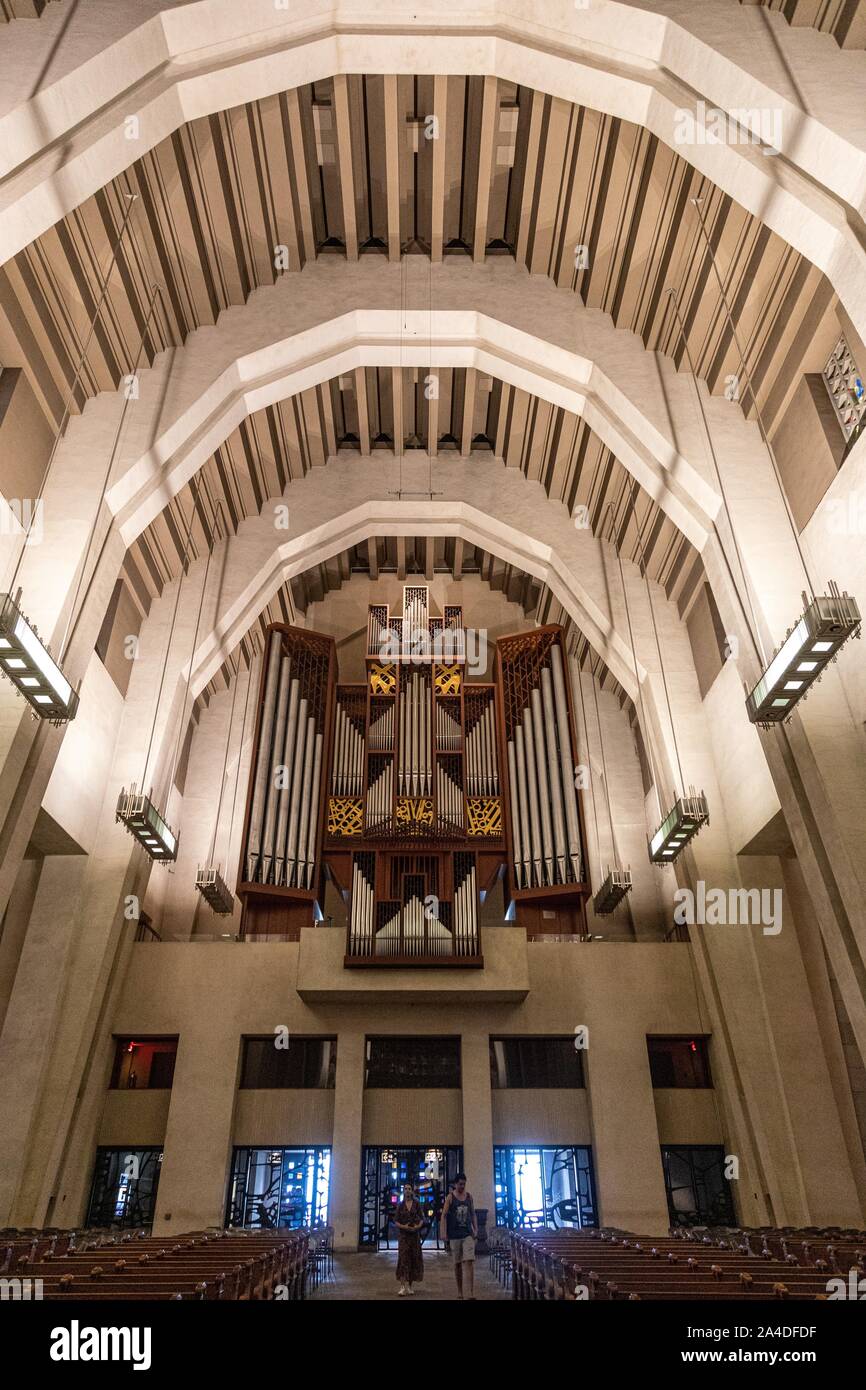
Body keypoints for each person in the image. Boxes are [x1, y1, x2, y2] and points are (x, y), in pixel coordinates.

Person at [440, 1172, 477, 1299]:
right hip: (455, 1235)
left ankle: (471, 1292)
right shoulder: (450, 1197)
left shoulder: (469, 1197)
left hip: (467, 1234)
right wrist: (443, 1232)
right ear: (456, 1184)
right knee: (457, 1264)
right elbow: (444, 1215)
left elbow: (473, 1214)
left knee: (469, 1261)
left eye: (464, 1184)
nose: (462, 1186)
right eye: (460, 1184)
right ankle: (460, 1291)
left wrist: (475, 1229)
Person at [394, 1181, 424, 1296]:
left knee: (413, 1259)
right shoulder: (400, 1205)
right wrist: (404, 1227)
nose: (407, 1190)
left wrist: (417, 1226)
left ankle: (410, 1286)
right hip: (404, 1236)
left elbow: (422, 1218)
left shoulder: (417, 1204)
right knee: (403, 1259)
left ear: (412, 1191)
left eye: (409, 1188)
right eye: (405, 1188)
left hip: (414, 1236)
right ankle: (402, 1286)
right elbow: (396, 1221)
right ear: (403, 1191)